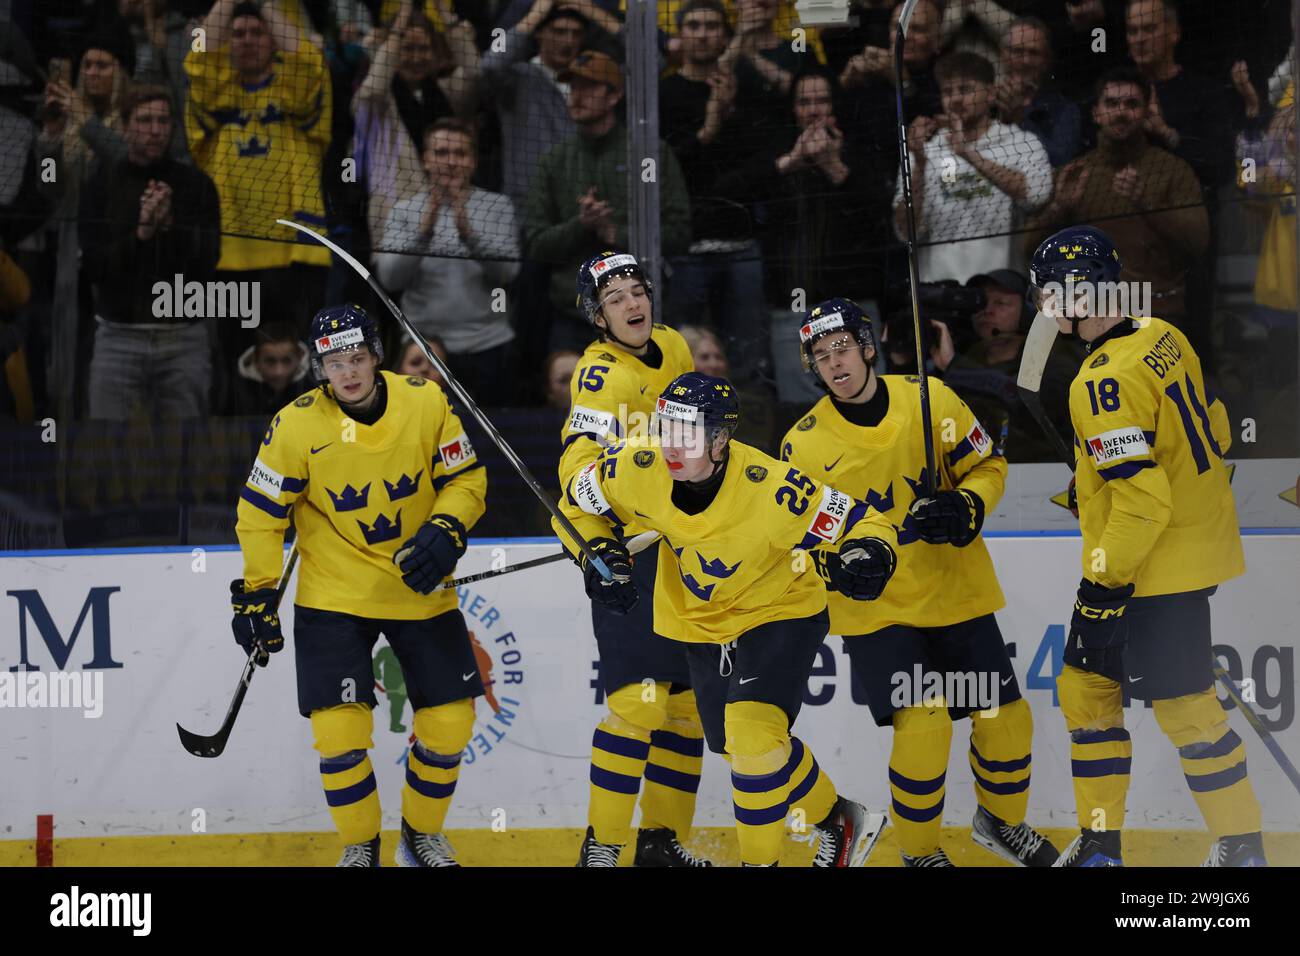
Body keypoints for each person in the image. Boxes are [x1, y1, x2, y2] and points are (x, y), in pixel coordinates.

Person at [556, 369, 897, 867]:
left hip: (780, 611)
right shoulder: (636, 467)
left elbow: (864, 522)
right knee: (743, 750)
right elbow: (570, 509)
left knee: (753, 734)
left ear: (720, 438)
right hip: (701, 620)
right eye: (666, 427)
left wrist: (872, 551)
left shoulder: (774, 490)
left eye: (688, 432)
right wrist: (596, 553)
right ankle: (840, 819)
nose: (672, 444)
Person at [780, 299, 1058, 867]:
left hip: (956, 593)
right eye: (819, 356)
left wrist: (966, 504)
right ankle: (920, 854)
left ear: (866, 345)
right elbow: (796, 540)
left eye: (841, 348)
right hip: (878, 612)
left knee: (1005, 719)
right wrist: (840, 563)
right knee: (925, 720)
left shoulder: (932, 400)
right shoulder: (802, 444)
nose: (833, 364)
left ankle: (1002, 825)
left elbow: (989, 466)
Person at [1028, 226, 1266, 868]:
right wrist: (1096, 484)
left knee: (1187, 710)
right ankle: (1110, 847)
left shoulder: (1097, 382)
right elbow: (1212, 427)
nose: (1045, 306)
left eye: (1050, 292)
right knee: (1085, 688)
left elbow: (1142, 501)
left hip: (1144, 571)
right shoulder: (1161, 334)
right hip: (1188, 553)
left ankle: (1235, 848)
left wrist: (1101, 582)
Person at [232, 303, 488, 867]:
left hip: (418, 585)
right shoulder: (295, 424)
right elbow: (260, 514)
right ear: (317, 368)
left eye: (356, 358)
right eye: (332, 362)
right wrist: (257, 592)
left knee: (451, 722)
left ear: (376, 356)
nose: (346, 372)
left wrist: (447, 528)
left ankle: (419, 836)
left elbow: (465, 478)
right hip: (334, 594)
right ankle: (360, 847)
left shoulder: (425, 401)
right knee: (338, 732)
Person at [556, 250, 710, 867]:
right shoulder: (599, 377)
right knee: (640, 702)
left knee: (687, 708)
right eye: (614, 297)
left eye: (636, 290)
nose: (631, 302)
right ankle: (603, 848)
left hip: (678, 549)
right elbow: (574, 473)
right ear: (598, 317)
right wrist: (602, 545)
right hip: (626, 555)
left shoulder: (673, 347)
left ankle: (660, 847)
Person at [185, 0, 333, 371]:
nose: (247, 41)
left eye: (257, 32)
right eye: (237, 34)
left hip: (295, 254)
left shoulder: (296, 87)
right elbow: (198, 55)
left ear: (273, 41)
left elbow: (308, 61)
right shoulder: (214, 92)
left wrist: (266, 4)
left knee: (303, 365)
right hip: (231, 254)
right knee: (235, 364)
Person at [524, 50, 691, 351]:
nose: (576, 96)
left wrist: (616, 235)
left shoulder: (650, 154)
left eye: (588, 87)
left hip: (640, 314)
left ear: (614, 96)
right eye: (573, 88)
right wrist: (582, 225)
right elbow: (536, 244)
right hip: (573, 314)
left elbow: (680, 233)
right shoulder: (554, 160)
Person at [1022, 67, 1208, 326]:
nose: (1121, 112)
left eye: (1131, 104)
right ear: (1096, 113)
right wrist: (1059, 208)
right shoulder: (1074, 174)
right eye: (1111, 103)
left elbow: (1198, 243)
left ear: (1145, 113)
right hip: (1088, 318)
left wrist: (1146, 204)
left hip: (1156, 315)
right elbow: (1028, 249)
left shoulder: (1173, 170)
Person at [79, 82, 221, 421]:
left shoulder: (195, 185)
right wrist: (142, 234)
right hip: (117, 336)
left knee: (184, 451)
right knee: (108, 450)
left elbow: (207, 262)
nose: (155, 130)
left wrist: (170, 226)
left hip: (183, 337)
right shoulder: (101, 184)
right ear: (125, 125)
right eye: (144, 120)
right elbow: (95, 268)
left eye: (163, 120)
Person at [375, 118, 520, 400]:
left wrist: (469, 235)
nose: (451, 162)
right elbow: (390, 279)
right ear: (426, 160)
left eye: (460, 154)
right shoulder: (403, 211)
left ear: (473, 161)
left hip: (487, 346)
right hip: (423, 350)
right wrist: (423, 233)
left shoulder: (497, 206)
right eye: (441, 153)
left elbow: (508, 274)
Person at [892, 50, 1051, 283]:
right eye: (948, 92)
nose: (955, 99)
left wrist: (967, 153)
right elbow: (905, 230)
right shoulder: (923, 150)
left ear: (991, 93)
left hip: (1002, 289)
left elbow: (1036, 196)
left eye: (965, 89)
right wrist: (920, 165)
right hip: (939, 289)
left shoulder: (1021, 142)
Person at [352, 0, 479, 249]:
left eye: (424, 48)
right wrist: (401, 19)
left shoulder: (447, 92)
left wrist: (444, 14)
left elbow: (475, 73)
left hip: (449, 218)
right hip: (394, 221)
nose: (416, 57)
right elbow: (374, 88)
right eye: (407, 48)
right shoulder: (378, 104)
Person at [935, 270, 1080, 462]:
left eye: (1001, 303)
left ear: (1029, 308)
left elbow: (1023, 399)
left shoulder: (1054, 356)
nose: (987, 310)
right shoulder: (963, 359)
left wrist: (956, 367)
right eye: (980, 302)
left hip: (1042, 475)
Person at [996, 16, 1081, 167]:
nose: (1026, 61)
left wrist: (1019, 119)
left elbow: (1061, 160)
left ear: (1046, 60)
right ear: (1002, 54)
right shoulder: (983, 100)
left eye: (1034, 53)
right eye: (1018, 51)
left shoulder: (1064, 110)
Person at [225, 321, 311, 416]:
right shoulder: (231, 391)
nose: (279, 372)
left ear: (300, 357)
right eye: (270, 361)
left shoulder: (315, 386)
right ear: (255, 360)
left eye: (287, 361)